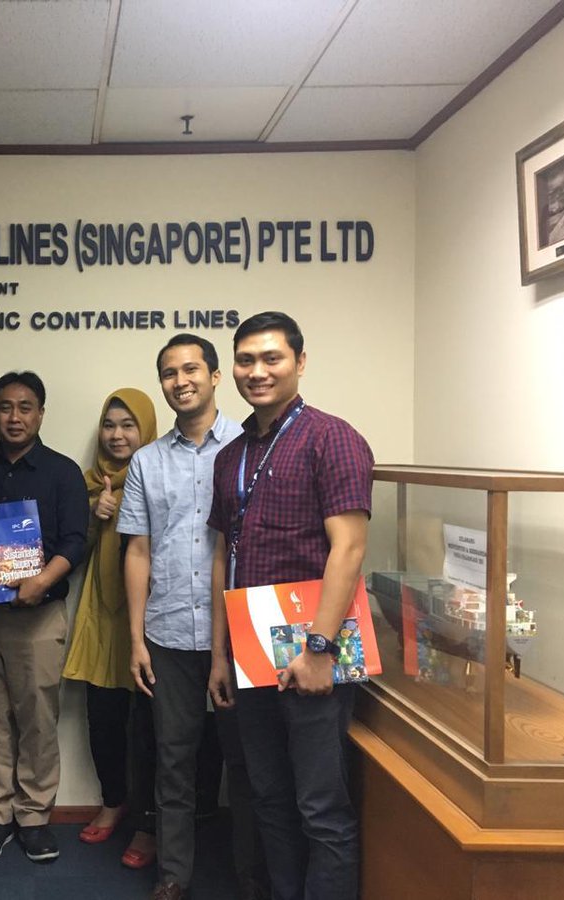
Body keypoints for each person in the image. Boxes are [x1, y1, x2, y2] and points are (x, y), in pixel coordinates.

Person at [207, 312, 373, 900]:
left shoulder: (333, 438)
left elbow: (349, 548)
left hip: (313, 650)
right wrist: (221, 656)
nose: (258, 371)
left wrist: (319, 650)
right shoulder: (231, 455)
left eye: (271, 358)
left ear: (300, 363)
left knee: (321, 807)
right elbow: (224, 553)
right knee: (269, 798)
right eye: (246, 360)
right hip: (251, 653)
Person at [118, 334, 266, 900]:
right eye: (169, 373)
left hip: (241, 631)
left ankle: (251, 877)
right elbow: (138, 550)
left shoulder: (252, 449)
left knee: (246, 764)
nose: (180, 381)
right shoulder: (147, 461)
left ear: (214, 376)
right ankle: (173, 874)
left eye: (190, 369)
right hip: (169, 631)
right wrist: (137, 639)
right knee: (173, 761)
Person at [0, 371, 87, 864]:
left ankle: (33, 816)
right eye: (5, 407)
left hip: (38, 616)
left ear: (40, 414)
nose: (15, 417)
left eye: (25, 407)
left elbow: (76, 540)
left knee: (37, 719)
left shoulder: (63, 471)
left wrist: (42, 581)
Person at [62, 389, 160, 861]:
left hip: (153, 615)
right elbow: (66, 549)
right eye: (109, 424)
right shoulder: (86, 483)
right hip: (102, 614)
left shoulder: (164, 474)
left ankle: (149, 822)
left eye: (128, 425)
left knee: (150, 726)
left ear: (147, 429)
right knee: (102, 718)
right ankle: (112, 801)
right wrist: (92, 516)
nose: (117, 435)